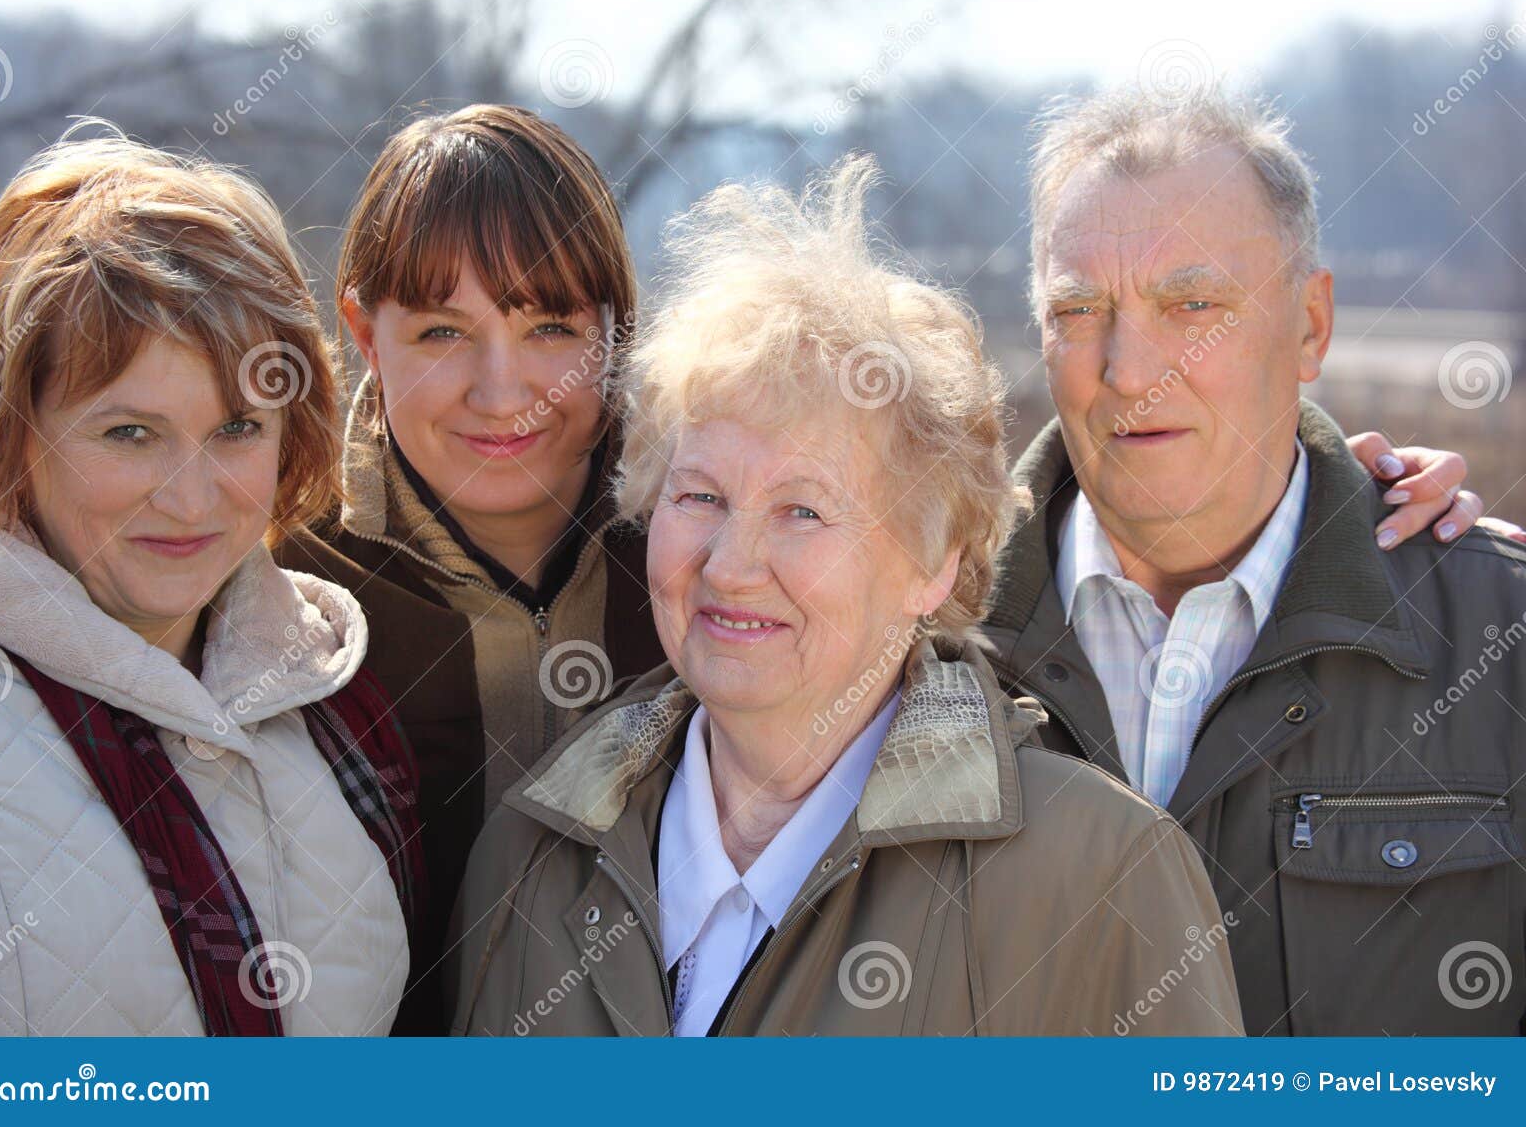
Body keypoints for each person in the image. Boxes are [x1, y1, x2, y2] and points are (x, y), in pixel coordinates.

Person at [449, 156, 1245, 1036]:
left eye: (803, 510)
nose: (730, 564)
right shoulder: (529, 857)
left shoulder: (1101, 877)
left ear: (933, 561)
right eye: (700, 495)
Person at [983, 85, 1526, 1034]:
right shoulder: (919, 641)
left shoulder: (1500, 639)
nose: (1129, 369)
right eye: (1079, 307)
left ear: (1310, 325)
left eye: (1193, 304)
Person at [0, 130, 419, 1036]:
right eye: (129, 433)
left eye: (236, 428)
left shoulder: (335, 702)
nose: (190, 498)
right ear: (13, 431)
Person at [275, 104, 667, 1032]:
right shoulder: (277, 572)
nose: (502, 393)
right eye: (443, 334)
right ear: (364, 334)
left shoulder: (704, 546)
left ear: (615, 332)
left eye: (551, 328)